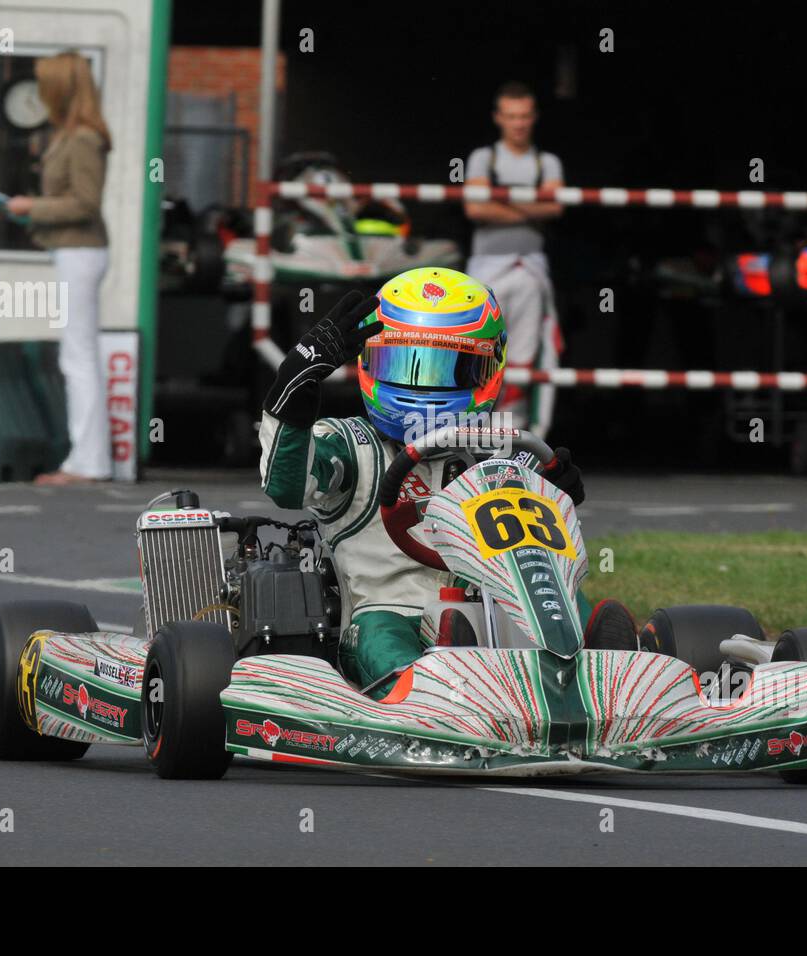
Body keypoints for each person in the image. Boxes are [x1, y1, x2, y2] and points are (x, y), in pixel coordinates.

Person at [258, 267, 637, 700]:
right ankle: (426, 693)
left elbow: (543, 558)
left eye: (448, 368)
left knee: (568, 607)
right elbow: (286, 486)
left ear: (487, 369)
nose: (423, 386)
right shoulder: (351, 447)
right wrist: (294, 387)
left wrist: (555, 500)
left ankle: (610, 674)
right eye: (402, 364)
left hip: (502, 612)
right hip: (389, 612)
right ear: (369, 363)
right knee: (383, 637)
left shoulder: (509, 454)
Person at [7, 51, 112, 486]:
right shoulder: (74, 134)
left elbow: (85, 203)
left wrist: (32, 206)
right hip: (74, 250)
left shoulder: (82, 138)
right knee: (79, 354)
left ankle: (88, 462)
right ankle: (88, 459)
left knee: (78, 356)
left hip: (80, 251)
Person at [463, 81, 565, 436]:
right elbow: (475, 208)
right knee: (476, 349)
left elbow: (555, 208)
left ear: (533, 117)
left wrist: (500, 200)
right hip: (486, 269)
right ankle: (472, 434)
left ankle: (514, 438)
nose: (518, 123)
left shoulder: (547, 162)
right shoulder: (483, 157)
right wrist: (530, 207)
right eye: (511, 116)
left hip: (531, 270)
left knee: (523, 356)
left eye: (524, 116)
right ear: (498, 118)